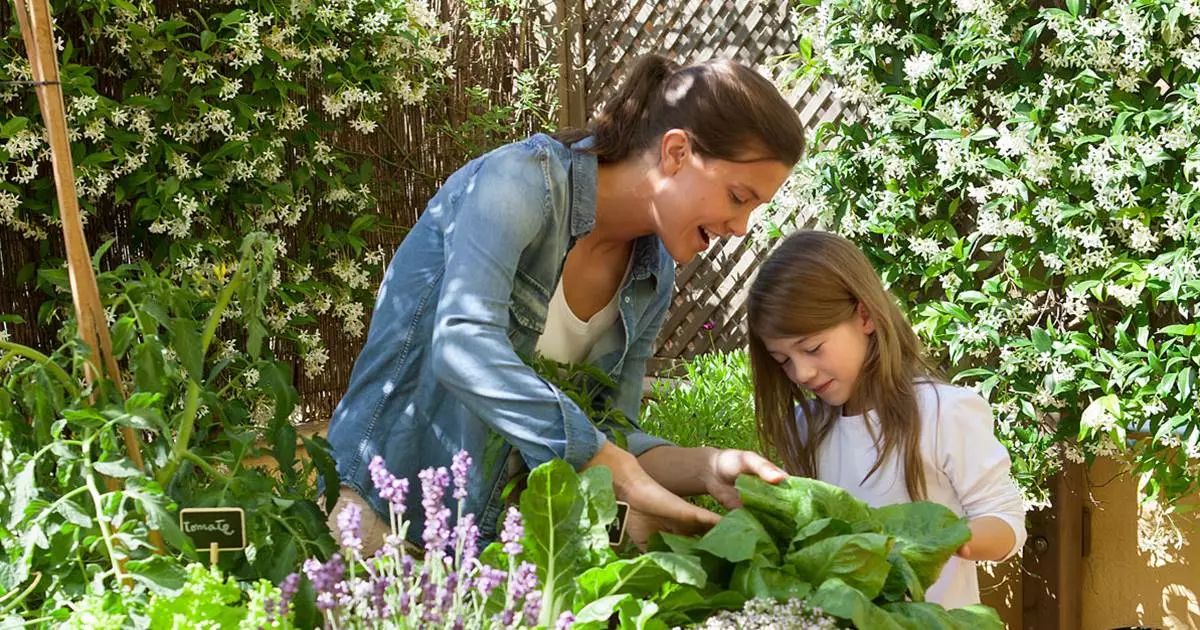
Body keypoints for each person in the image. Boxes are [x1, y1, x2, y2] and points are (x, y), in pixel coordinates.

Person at [325, 53, 806, 554]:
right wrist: (597, 455)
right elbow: (461, 346)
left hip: (492, 548)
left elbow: (608, 436)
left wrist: (708, 467)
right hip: (383, 519)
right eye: (737, 196)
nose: (741, 226)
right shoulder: (520, 184)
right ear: (677, 152)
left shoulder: (652, 272)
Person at [745, 230, 1027, 608]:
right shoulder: (805, 425)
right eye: (783, 361)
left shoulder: (944, 412)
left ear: (865, 316)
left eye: (812, 348)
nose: (802, 373)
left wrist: (936, 542)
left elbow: (1006, 522)